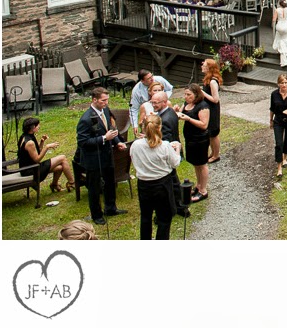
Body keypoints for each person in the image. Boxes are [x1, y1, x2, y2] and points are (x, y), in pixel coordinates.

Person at [75, 87, 127, 225]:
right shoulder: (86, 119)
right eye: (103, 100)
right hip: (93, 158)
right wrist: (104, 138)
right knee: (95, 187)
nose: (106, 103)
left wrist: (116, 142)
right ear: (94, 100)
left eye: (107, 100)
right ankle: (96, 215)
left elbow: (109, 129)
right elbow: (83, 142)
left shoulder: (104, 110)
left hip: (106, 155)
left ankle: (110, 208)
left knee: (110, 182)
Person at [130, 114, 181, 240]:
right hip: (162, 184)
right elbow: (175, 163)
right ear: (160, 127)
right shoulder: (164, 146)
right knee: (164, 218)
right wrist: (178, 149)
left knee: (146, 216)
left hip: (144, 184)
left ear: (143, 127)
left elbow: (133, 159)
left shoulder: (135, 145)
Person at [151, 91, 188, 217]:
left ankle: (178, 207)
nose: (153, 105)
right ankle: (180, 206)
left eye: (156, 103)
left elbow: (165, 141)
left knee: (171, 182)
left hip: (168, 154)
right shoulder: (170, 111)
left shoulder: (165, 119)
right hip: (172, 150)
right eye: (152, 102)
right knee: (174, 181)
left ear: (164, 102)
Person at [17, 117, 74, 192]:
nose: (39, 126)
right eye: (38, 125)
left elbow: (36, 152)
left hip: (31, 167)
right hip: (30, 170)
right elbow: (37, 159)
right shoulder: (30, 143)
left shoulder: (25, 136)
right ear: (33, 127)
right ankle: (72, 183)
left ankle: (54, 184)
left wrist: (42, 142)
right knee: (62, 158)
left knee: (60, 167)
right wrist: (47, 147)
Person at [175, 83, 210, 202]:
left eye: (188, 94)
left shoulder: (202, 106)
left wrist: (189, 119)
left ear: (196, 94)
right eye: (185, 94)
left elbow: (204, 125)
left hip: (200, 139)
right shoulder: (186, 104)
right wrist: (175, 111)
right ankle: (198, 186)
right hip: (190, 138)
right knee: (195, 163)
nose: (185, 97)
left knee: (202, 164)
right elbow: (180, 114)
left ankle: (203, 190)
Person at [129, 69, 173, 138]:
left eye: (152, 76)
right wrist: (135, 125)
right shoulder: (136, 91)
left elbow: (169, 89)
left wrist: (162, 98)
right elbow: (133, 109)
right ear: (142, 81)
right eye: (149, 78)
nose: (152, 79)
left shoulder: (159, 79)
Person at [201, 59, 223, 164]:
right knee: (209, 133)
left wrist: (202, 93)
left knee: (213, 133)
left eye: (204, 65)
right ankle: (212, 153)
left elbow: (215, 99)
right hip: (208, 108)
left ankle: (216, 155)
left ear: (209, 68)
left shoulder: (213, 82)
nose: (202, 66)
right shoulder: (208, 79)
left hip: (212, 109)